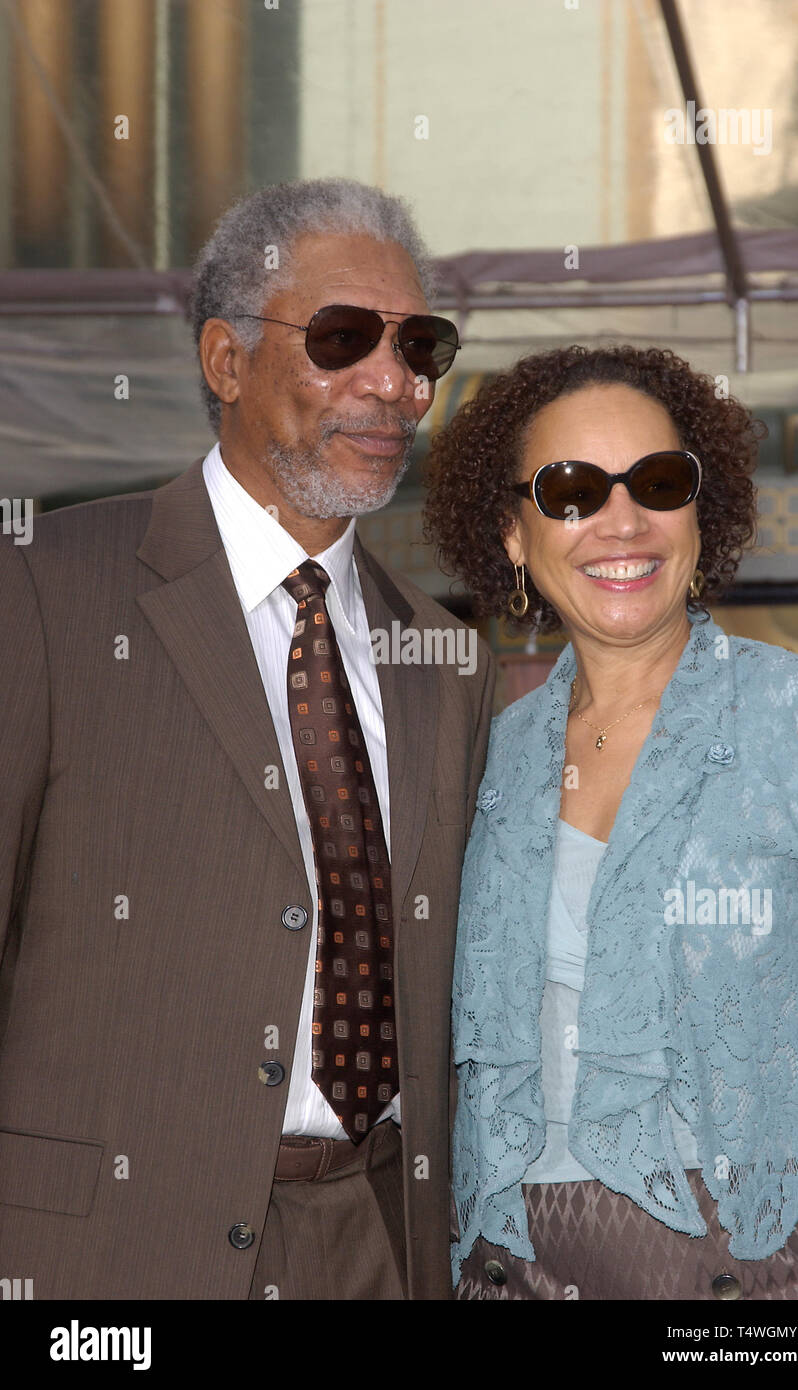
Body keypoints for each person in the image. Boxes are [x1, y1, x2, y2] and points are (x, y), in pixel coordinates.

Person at [0, 178, 495, 1301]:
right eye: (342, 337)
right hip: (110, 1258)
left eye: (420, 344)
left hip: (382, 1242)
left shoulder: (445, 662)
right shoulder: (41, 592)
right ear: (225, 363)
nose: (393, 382)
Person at [423, 344, 798, 1300]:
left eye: (658, 481)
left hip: (760, 1276)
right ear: (511, 534)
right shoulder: (481, 759)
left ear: (702, 512)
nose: (622, 520)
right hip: (509, 1270)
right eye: (571, 489)